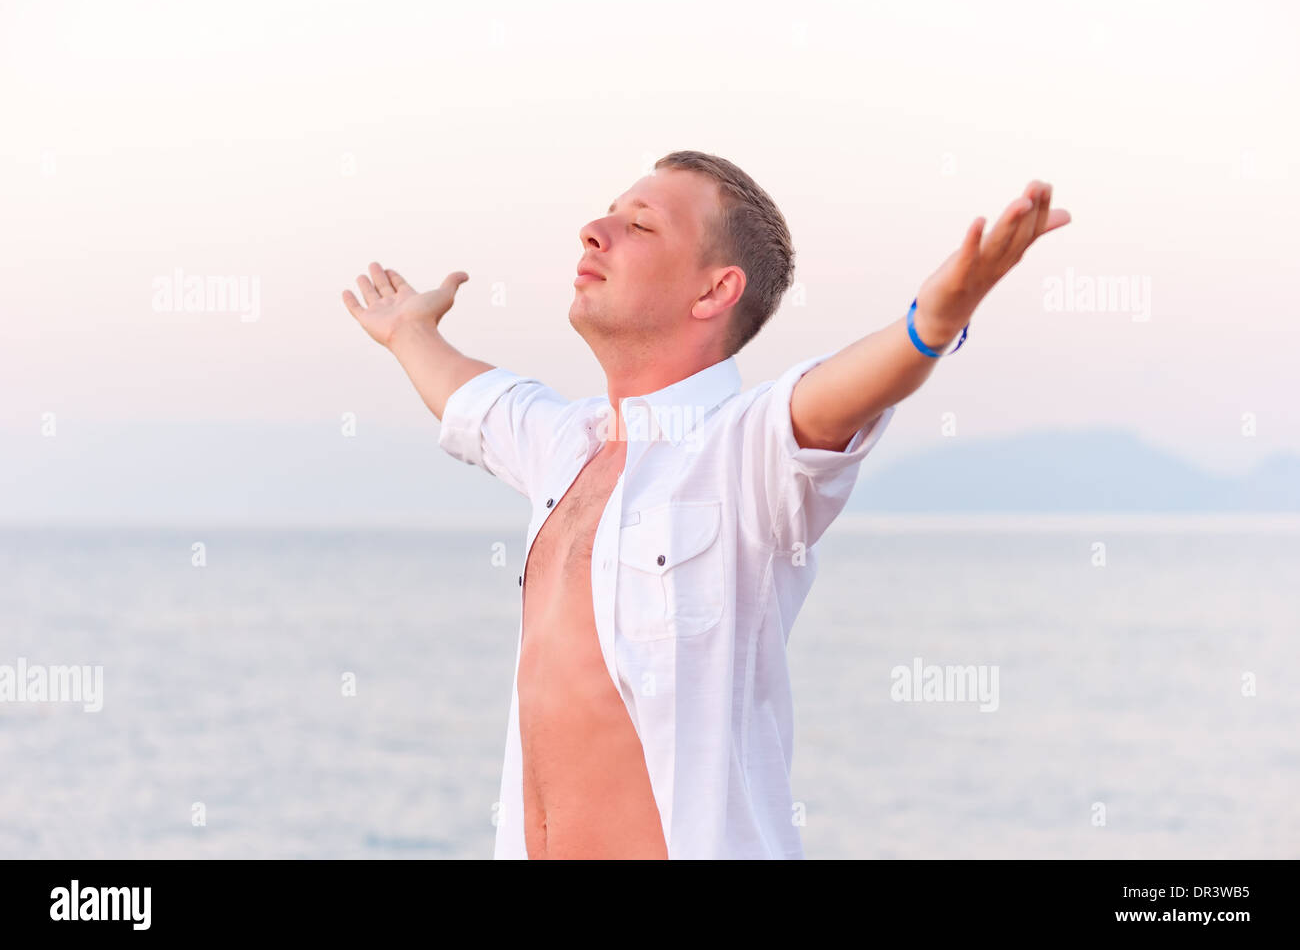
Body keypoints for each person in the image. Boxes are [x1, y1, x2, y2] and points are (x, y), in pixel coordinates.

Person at [342, 150, 1070, 859]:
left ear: (714, 291)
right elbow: (471, 397)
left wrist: (929, 326)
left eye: (642, 225)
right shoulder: (565, 446)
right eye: (609, 212)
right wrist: (409, 329)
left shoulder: (741, 450)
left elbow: (834, 394)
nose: (596, 229)